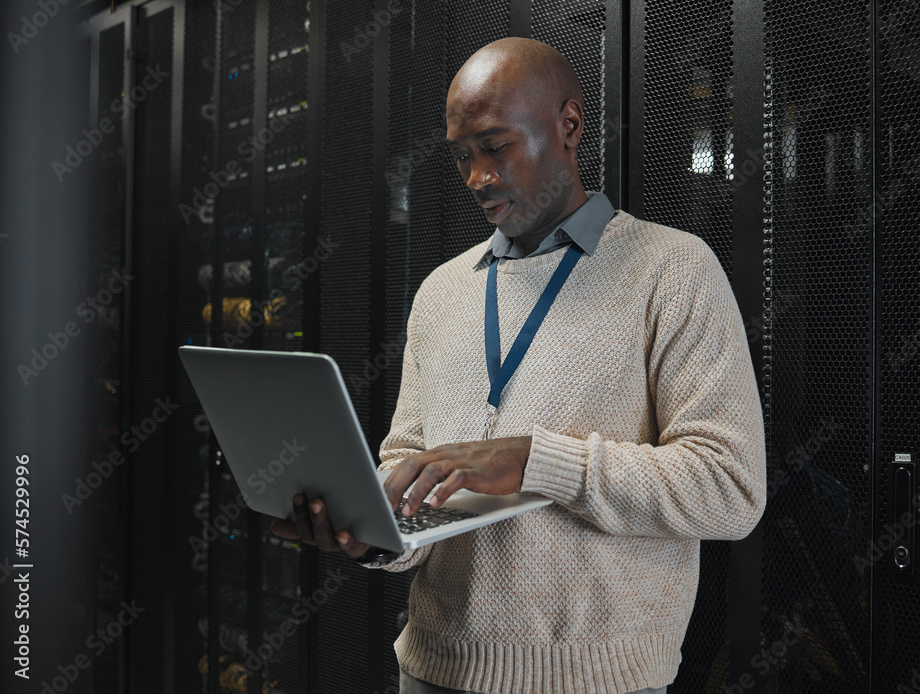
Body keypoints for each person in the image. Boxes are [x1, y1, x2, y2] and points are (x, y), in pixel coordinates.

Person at [271, 37, 766, 694]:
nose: (477, 176)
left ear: (569, 126)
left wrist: (536, 461)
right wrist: (375, 530)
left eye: (496, 146)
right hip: (429, 671)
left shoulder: (673, 270)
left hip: (599, 684)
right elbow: (408, 460)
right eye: (461, 156)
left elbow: (730, 489)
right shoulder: (444, 290)